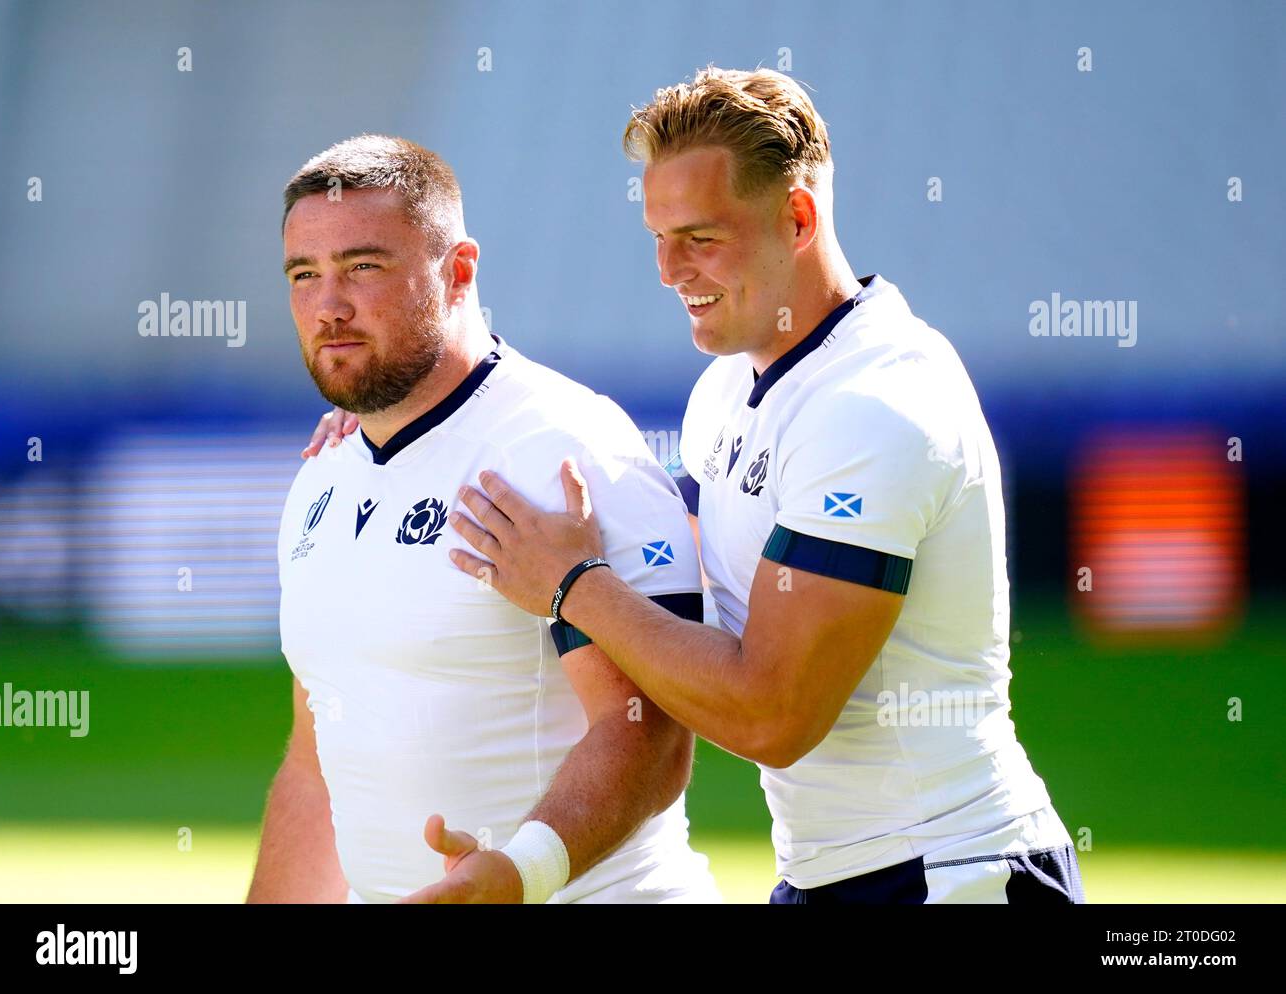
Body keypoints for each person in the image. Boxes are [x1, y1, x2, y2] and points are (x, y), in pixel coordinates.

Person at [436, 68, 1084, 904]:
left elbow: (771, 715)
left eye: (700, 237)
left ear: (799, 217)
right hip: (830, 874)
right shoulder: (731, 387)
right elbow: (666, 596)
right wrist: (385, 415)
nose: (670, 271)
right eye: (657, 236)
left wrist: (572, 585)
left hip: (953, 870)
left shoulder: (877, 401)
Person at [250, 134, 719, 904]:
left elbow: (646, 732)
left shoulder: (564, 449)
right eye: (305, 274)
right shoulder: (320, 480)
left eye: (363, 266)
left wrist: (519, 874)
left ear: (458, 272)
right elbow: (313, 765)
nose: (329, 305)